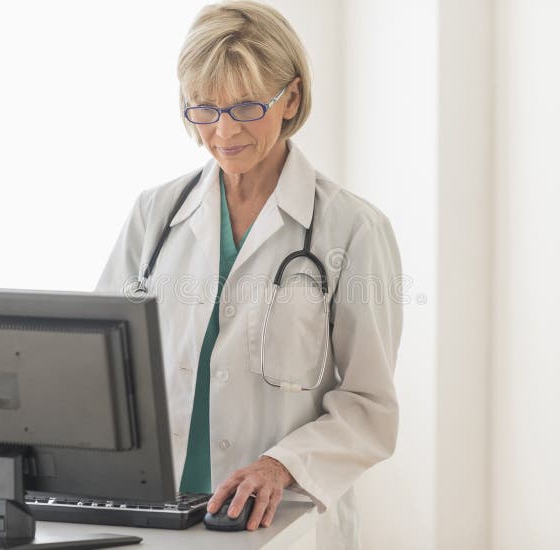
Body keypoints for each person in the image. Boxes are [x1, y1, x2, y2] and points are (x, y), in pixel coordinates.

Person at [96, 2, 402, 548]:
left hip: (278, 522)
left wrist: (279, 467)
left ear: (292, 98)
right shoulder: (155, 215)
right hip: (156, 515)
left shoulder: (351, 228)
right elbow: (99, 363)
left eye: (244, 106)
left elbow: (368, 405)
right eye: (204, 109)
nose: (223, 130)